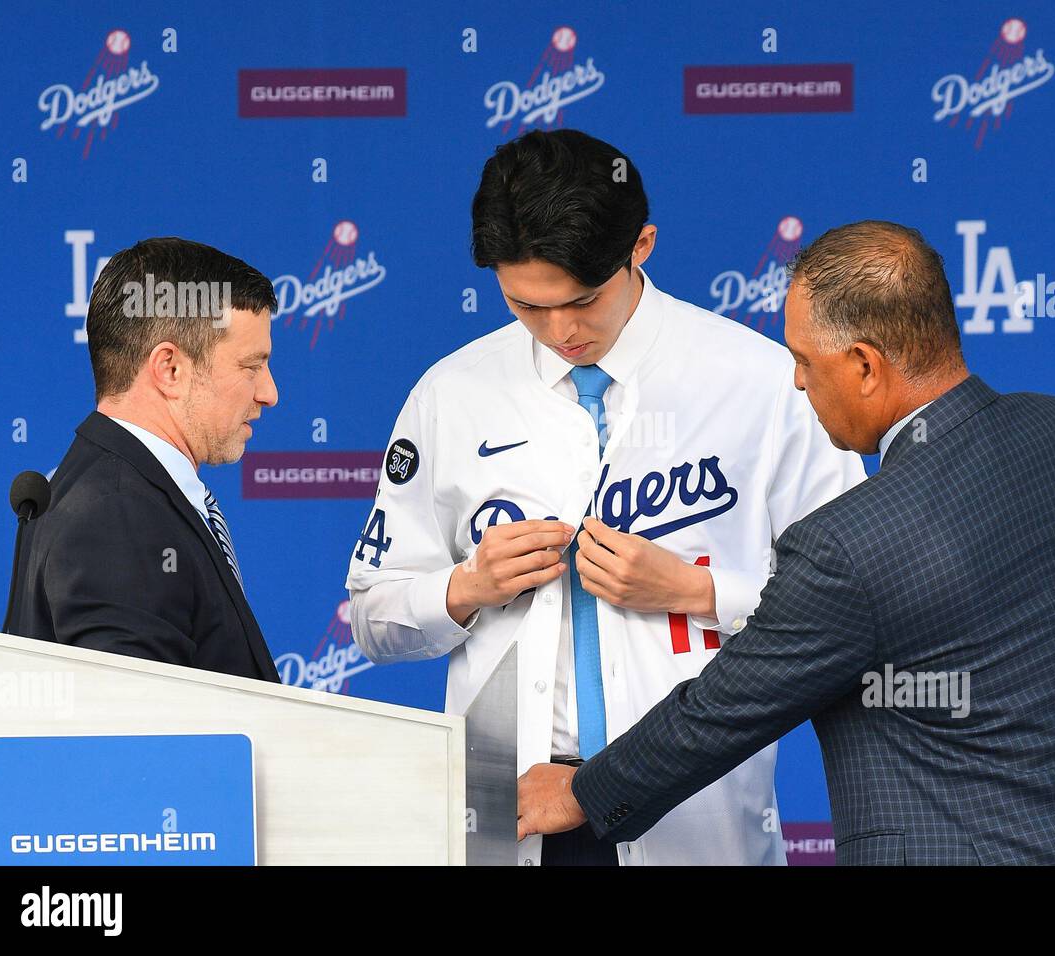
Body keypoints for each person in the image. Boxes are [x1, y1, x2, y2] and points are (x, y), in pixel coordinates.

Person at [517, 220, 1055, 866]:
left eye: (804, 360)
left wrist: (582, 790)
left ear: (863, 365)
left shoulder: (850, 545)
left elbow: (717, 716)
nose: (799, 383)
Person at [345, 130, 865, 866]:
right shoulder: (451, 394)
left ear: (641, 245)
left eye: (583, 300)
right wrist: (466, 588)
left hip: (691, 812)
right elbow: (372, 618)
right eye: (527, 305)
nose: (562, 331)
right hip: (513, 815)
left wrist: (699, 590)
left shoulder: (761, 382)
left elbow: (853, 611)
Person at [8, 237, 281, 682]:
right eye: (251, 367)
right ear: (170, 369)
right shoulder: (115, 517)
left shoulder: (108, 491)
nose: (269, 393)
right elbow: (138, 736)